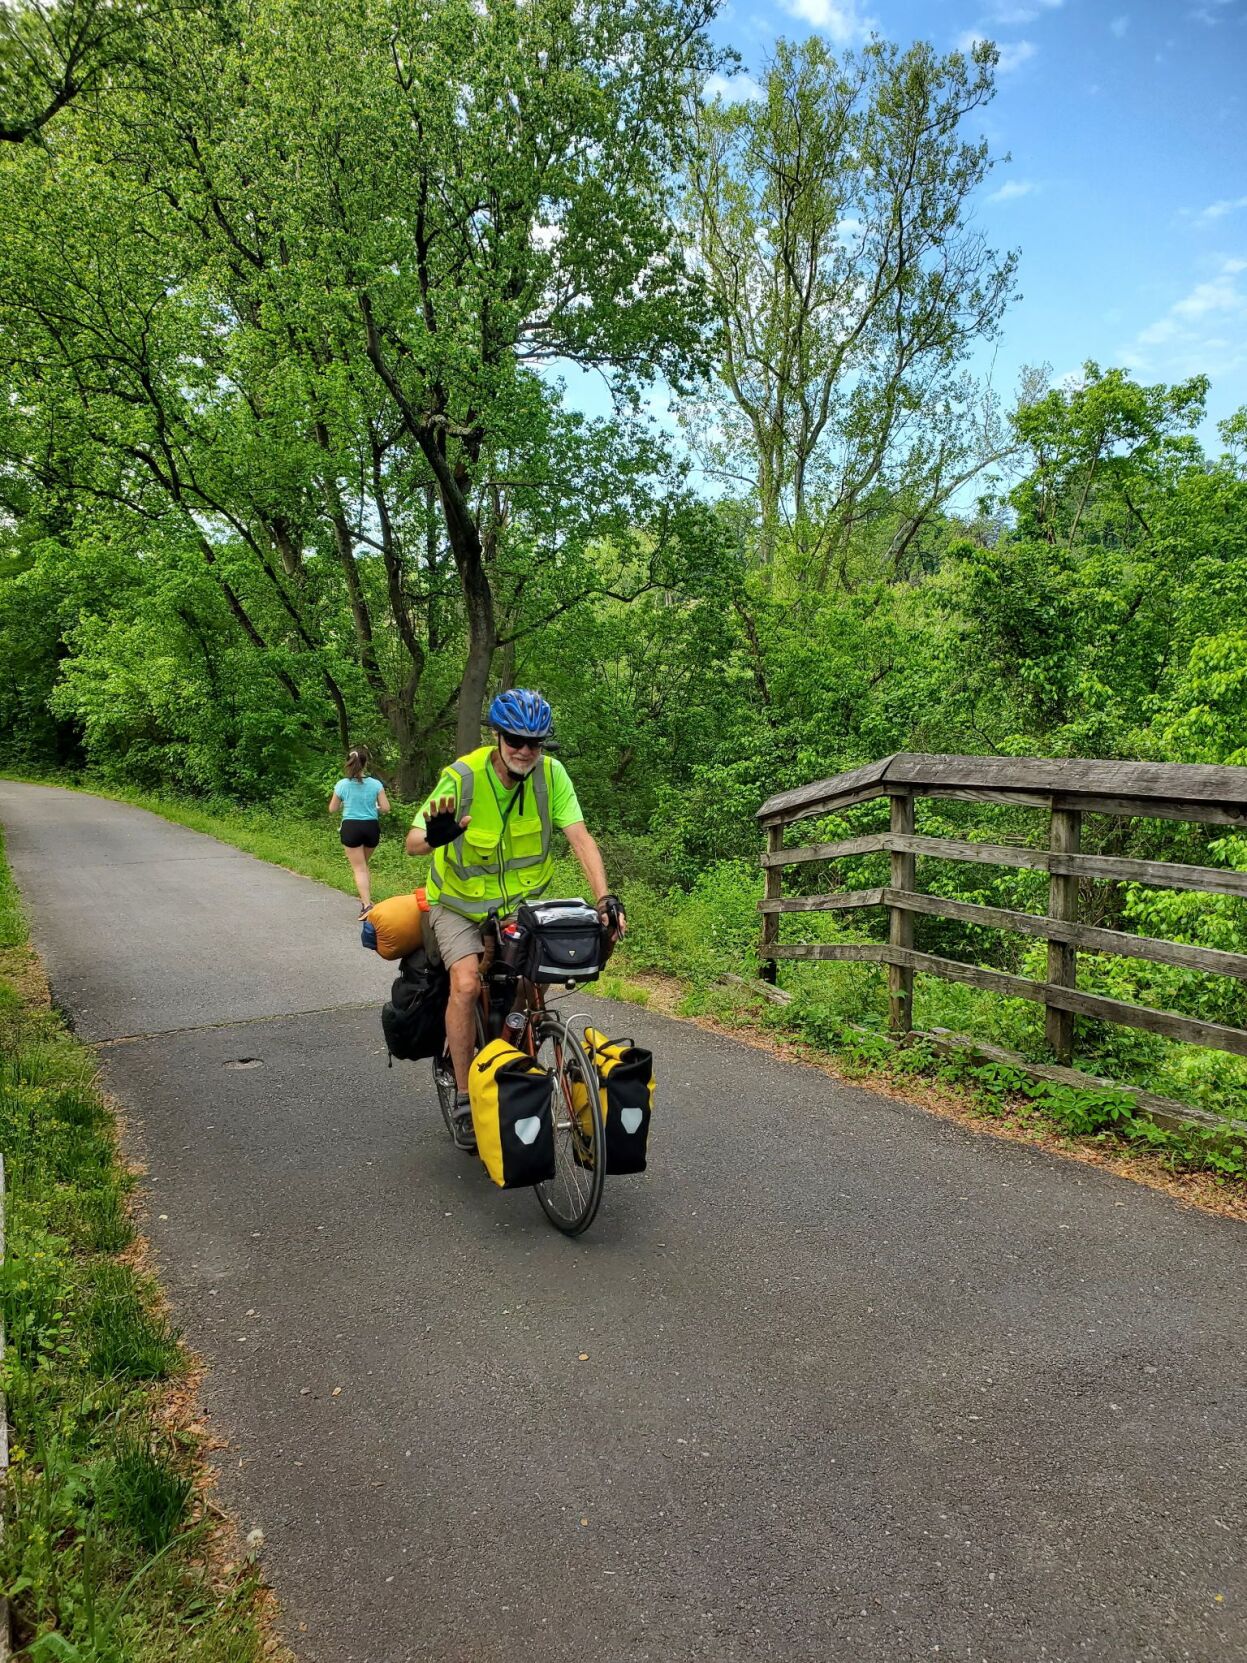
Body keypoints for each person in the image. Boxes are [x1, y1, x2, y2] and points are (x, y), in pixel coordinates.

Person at [406, 689, 626, 1148]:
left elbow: (580, 839)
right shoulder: (464, 777)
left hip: (520, 905)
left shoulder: (551, 776)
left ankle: (515, 1051)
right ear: (497, 735)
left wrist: (604, 898)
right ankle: (466, 1095)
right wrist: (435, 837)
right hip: (459, 904)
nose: (525, 750)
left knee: (533, 984)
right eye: (515, 739)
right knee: (466, 984)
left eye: (535, 742)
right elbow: (412, 842)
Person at [329, 746, 391, 917]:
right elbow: (386, 808)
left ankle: (366, 905)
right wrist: (373, 807)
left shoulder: (342, 784)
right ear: (366, 763)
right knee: (363, 866)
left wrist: (345, 803)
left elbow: (332, 809)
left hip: (351, 827)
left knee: (359, 868)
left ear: (349, 762)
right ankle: (367, 901)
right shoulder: (376, 784)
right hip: (371, 827)